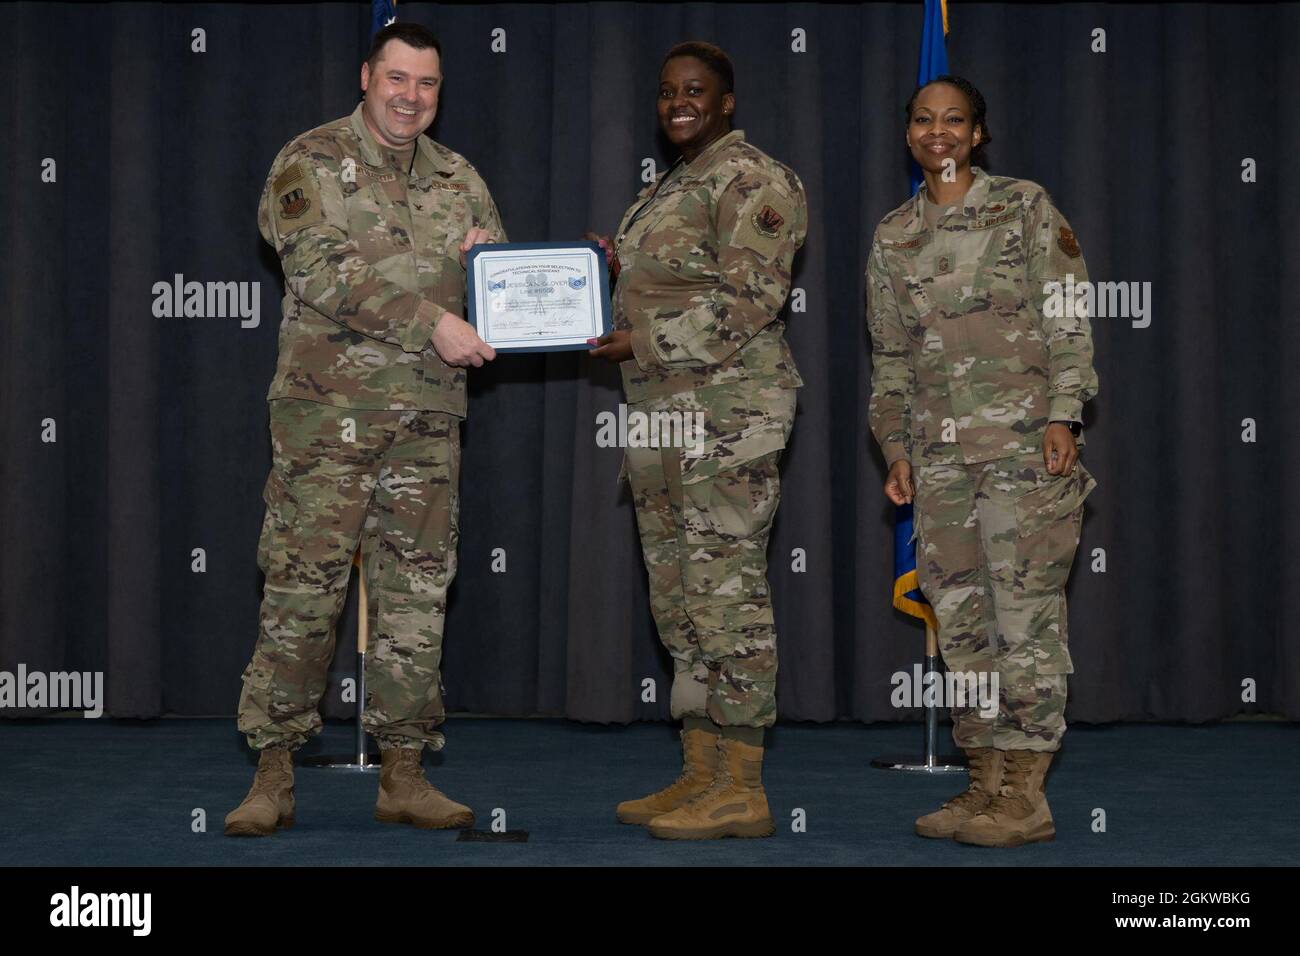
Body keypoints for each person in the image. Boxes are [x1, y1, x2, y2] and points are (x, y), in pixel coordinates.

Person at [225, 23, 505, 837]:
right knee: (301, 591)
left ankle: (405, 773)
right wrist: (432, 320)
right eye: (397, 79)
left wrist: (493, 267)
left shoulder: (461, 177)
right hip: (327, 420)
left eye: (426, 84)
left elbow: (496, 286)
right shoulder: (307, 160)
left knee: (417, 596)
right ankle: (272, 772)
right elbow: (319, 270)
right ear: (366, 77)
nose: (411, 97)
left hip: (426, 420)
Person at [865, 75, 1098, 847]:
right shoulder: (893, 234)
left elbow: (1067, 314)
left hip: (1025, 449)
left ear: (977, 134)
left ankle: (1027, 795)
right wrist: (895, 447)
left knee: (1024, 620)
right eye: (925, 121)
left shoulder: (1023, 206)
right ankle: (984, 780)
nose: (939, 133)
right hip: (938, 460)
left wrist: (1065, 412)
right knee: (962, 623)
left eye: (954, 120)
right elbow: (890, 357)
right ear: (909, 135)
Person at [589, 41, 806, 840]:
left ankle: (744, 787)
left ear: (726, 102)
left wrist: (639, 339)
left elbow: (749, 302)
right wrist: (605, 268)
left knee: (728, 600)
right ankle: (701, 770)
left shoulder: (753, 179)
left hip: (728, 417)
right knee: (680, 603)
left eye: (696, 91)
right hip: (661, 418)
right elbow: (677, 282)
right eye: (668, 91)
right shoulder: (675, 186)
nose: (679, 102)